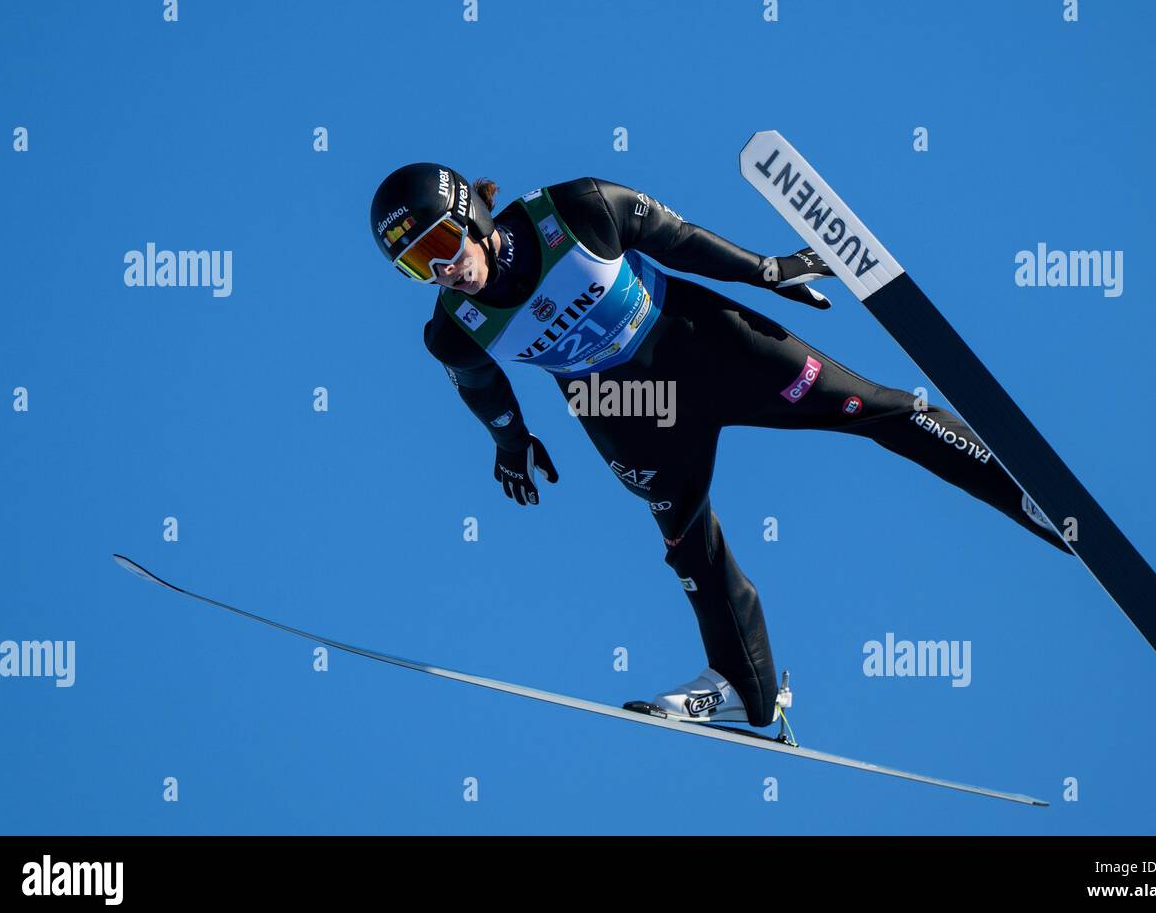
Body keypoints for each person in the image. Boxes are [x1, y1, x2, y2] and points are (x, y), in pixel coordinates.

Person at [369, 163, 1069, 729]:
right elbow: (479, 385)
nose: (442, 272)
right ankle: (742, 688)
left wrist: (766, 270)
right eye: (414, 267)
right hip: (626, 412)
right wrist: (509, 440)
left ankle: (1028, 495)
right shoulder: (453, 327)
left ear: (473, 216)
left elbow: (678, 239)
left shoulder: (575, 211)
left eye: (438, 246)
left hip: (709, 348)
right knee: (688, 546)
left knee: (871, 407)